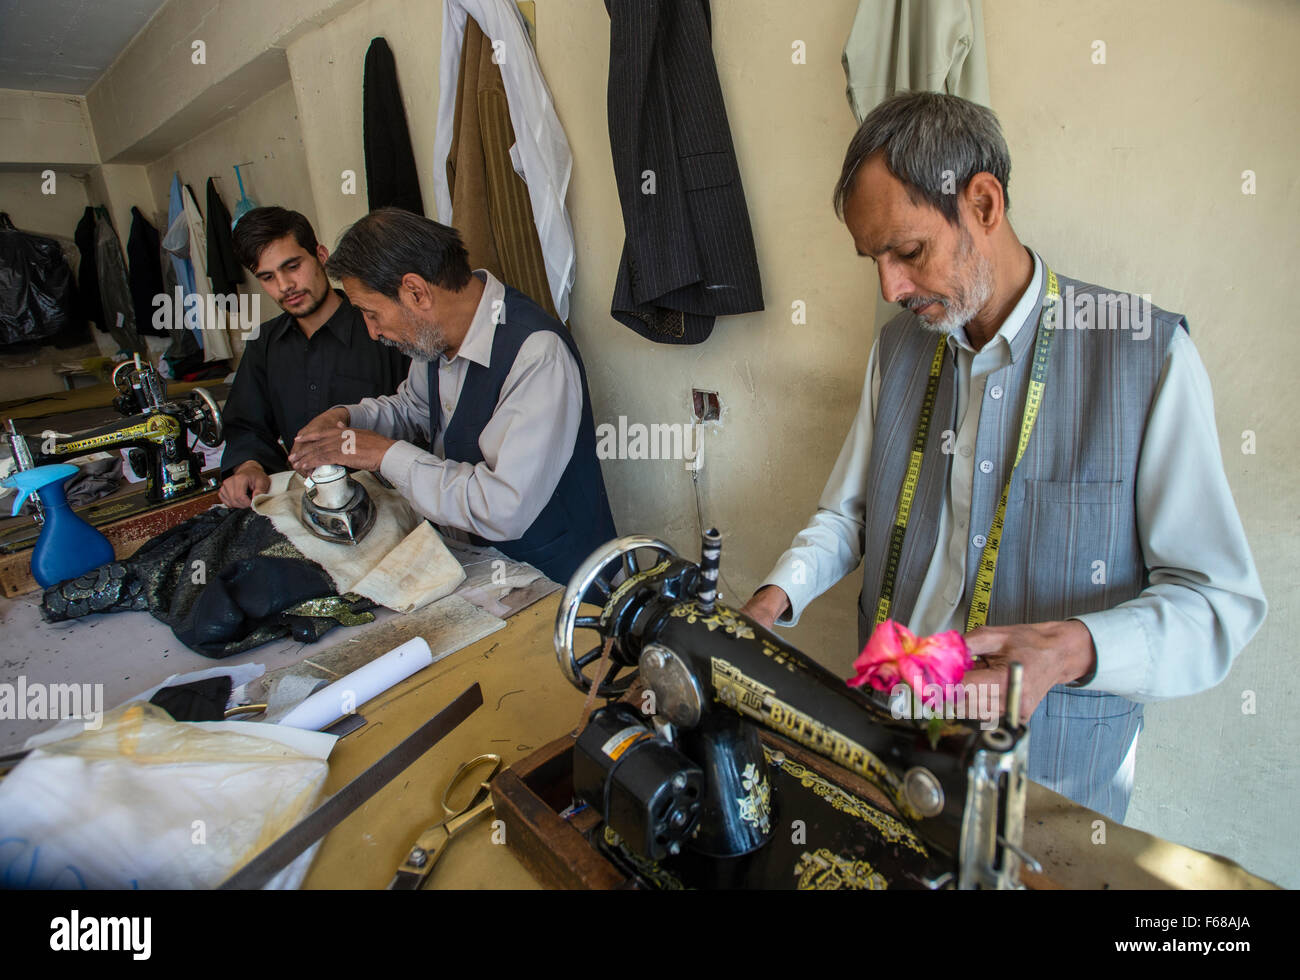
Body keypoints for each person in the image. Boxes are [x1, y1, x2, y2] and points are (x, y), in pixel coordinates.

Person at [741, 92, 1266, 822]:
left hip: (1045, 786)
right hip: (893, 737)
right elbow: (849, 514)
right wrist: (774, 600)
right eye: (875, 260)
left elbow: (1218, 604)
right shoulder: (898, 349)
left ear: (983, 203)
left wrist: (1073, 650)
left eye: (908, 251)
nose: (890, 287)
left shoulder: (1146, 358)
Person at [288, 208, 617, 585]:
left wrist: (382, 454)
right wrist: (346, 419)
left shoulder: (536, 353)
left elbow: (502, 507)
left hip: (558, 585)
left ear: (415, 291)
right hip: (479, 571)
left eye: (371, 313)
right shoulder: (432, 340)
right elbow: (413, 407)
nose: (372, 332)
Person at [217, 207, 408, 507]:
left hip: (392, 502)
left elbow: (418, 417)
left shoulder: (380, 329)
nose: (284, 286)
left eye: (292, 266)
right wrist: (248, 466)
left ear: (321, 255)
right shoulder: (264, 343)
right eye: (267, 277)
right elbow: (247, 425)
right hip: (307, 504)